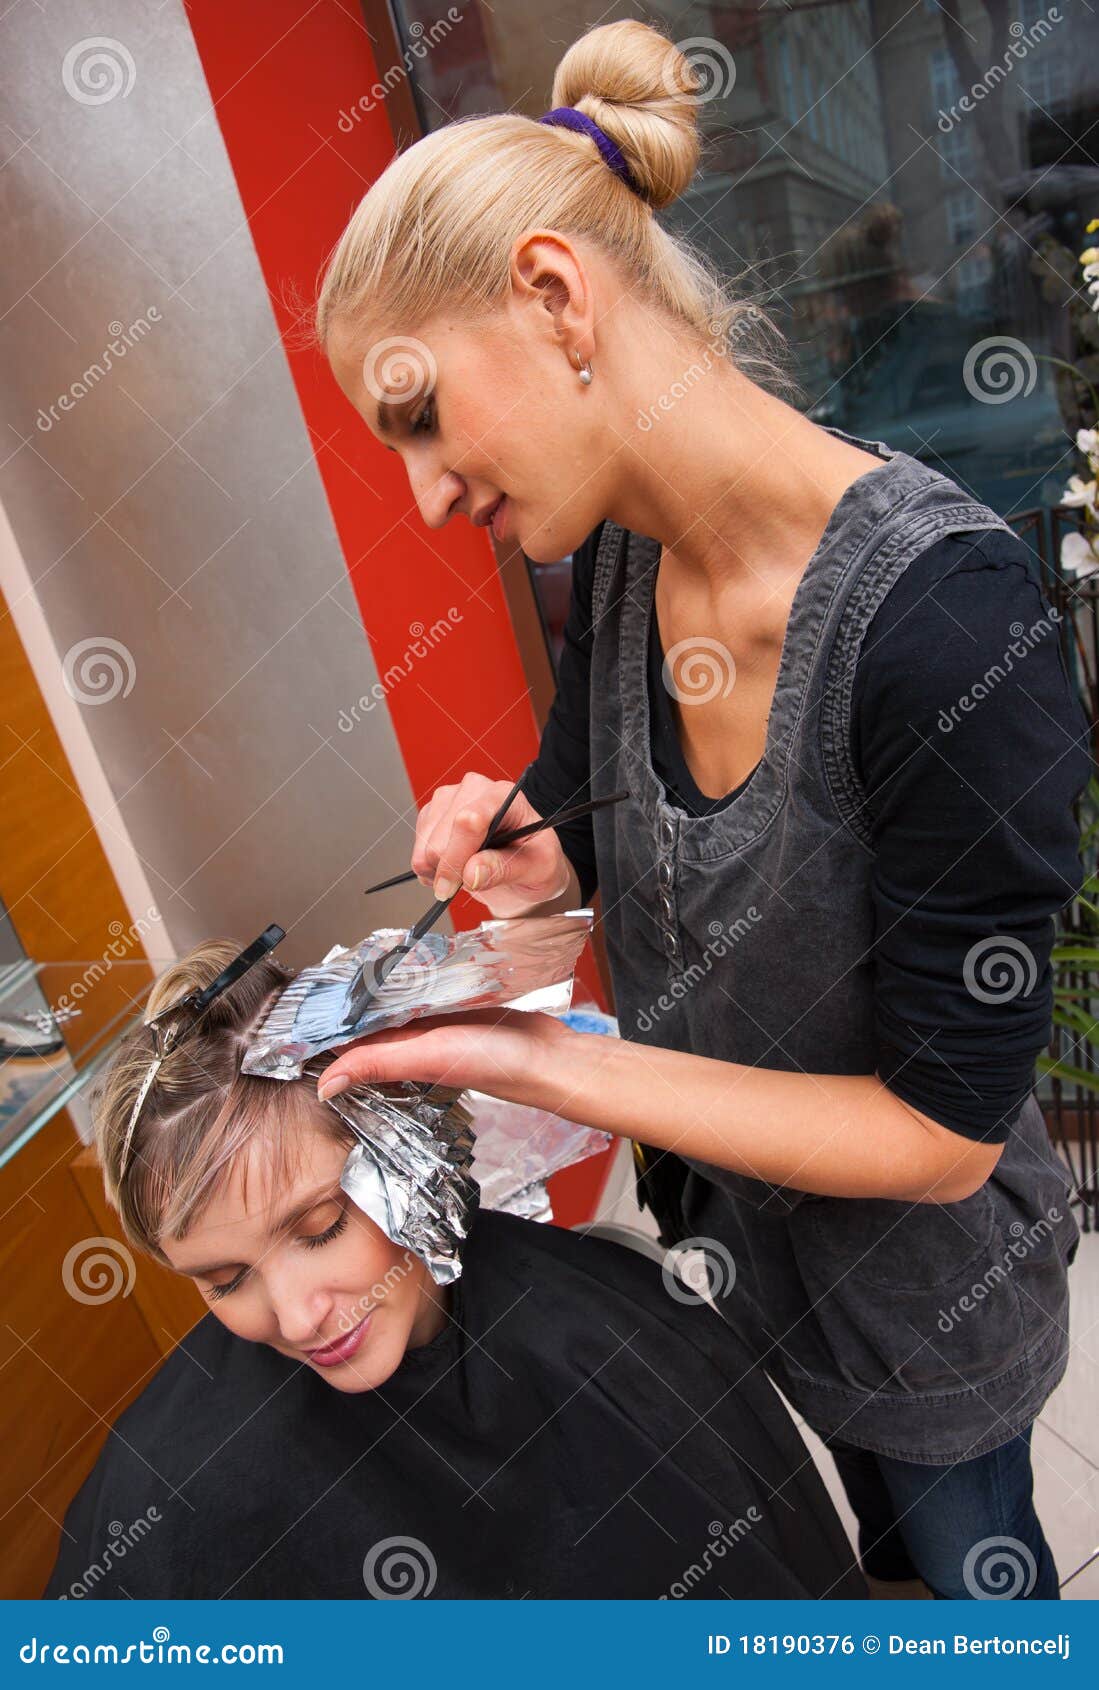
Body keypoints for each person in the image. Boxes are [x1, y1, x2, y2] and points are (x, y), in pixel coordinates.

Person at [309, 18, 1091, 1600]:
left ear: (550, 295)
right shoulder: (607, 553)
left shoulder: (943, 626)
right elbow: (605, 833)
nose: (425, 495)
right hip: (746, 1274)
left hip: (927, 1306)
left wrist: (553, 1069)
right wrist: (538, 856)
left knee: (957, 1582)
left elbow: (939, 1140)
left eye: (416, 417)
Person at [44, 940, 866, 1601]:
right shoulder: (176, 1493)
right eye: (223, 1281)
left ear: (408, 1151)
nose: (295, 1319)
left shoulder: (604, 1346)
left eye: (323, 1228)